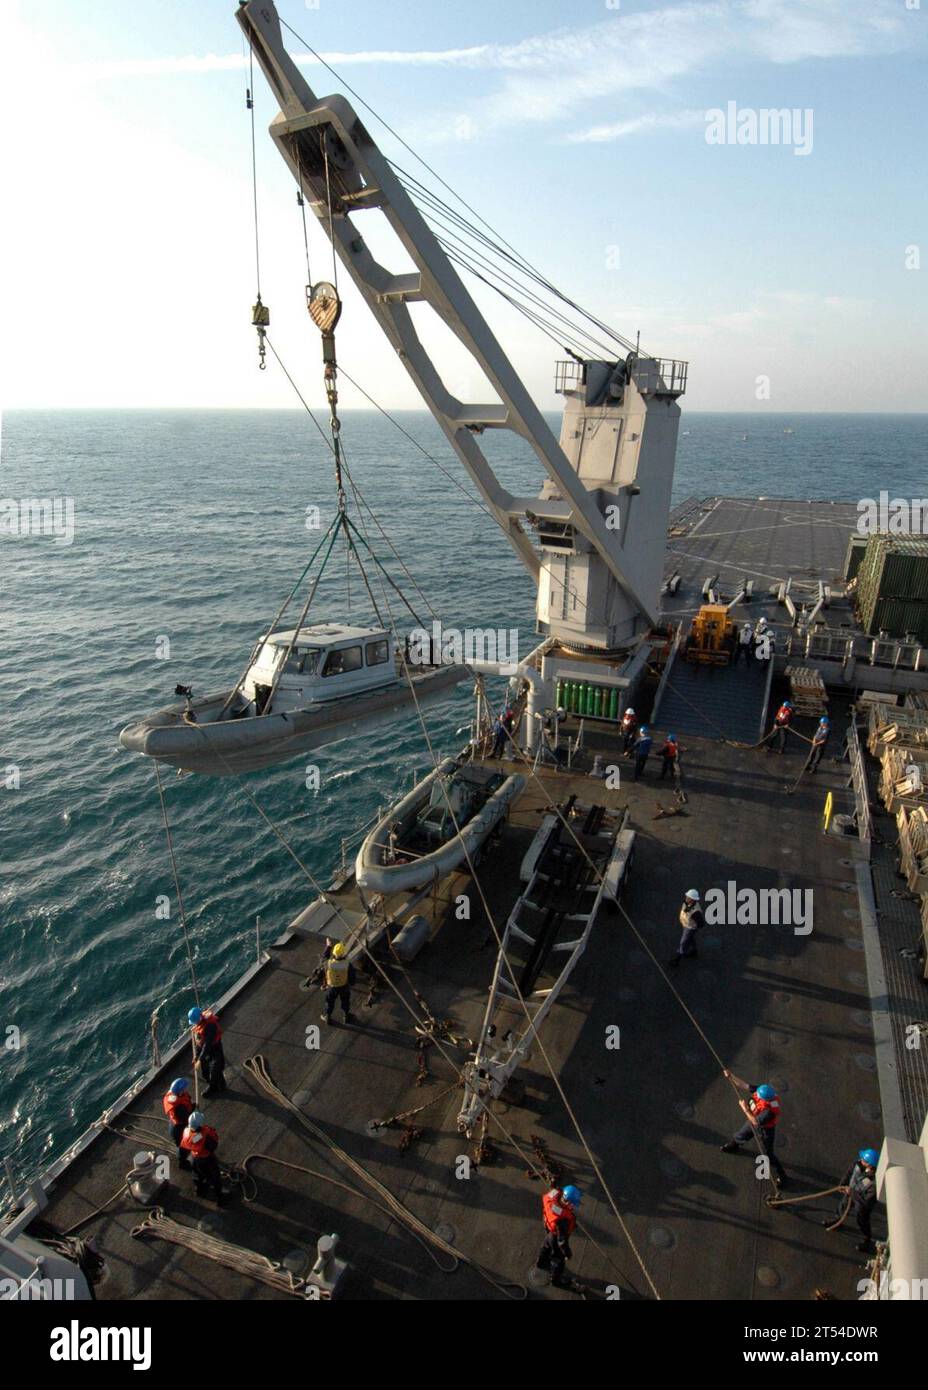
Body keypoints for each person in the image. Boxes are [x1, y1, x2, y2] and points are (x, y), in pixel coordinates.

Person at [720, 1072, 788, 1186]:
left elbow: (755, 1122)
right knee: (742, 1134)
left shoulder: (769, 1111)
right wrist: (731, 1076)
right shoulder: (762, 1091)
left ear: (766, 1100)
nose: (756, 1095)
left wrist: (745, 1109)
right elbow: (744, 1085)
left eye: (759, 1096)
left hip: (765, 1129)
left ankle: (782, 1175)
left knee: (768, 1154)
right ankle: (734, 1145)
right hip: (754, 1119)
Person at [830, 1148, 879, 1254]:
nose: (861, 1160)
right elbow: (849, 1173)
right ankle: (838, 1220)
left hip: (861, 1204)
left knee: (862, 1221)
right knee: (842, 1207)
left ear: (869, 1165)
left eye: (863, 1160)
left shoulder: (874, 1183)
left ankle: (866, 1240)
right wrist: (842, 1184)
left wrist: (851, 1192)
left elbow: (866, 1201)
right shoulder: (857, 1164)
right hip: (850, 1192)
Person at [536, 1184, 582, 1288]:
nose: (573, 1207)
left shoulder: (553, 1196)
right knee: (558, 1259)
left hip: (548, 1230)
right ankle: (556, 1279)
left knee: (546, 1246)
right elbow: (562, 1241)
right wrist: (567, 1253)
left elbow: (556, 1189)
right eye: (572, 1204)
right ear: (567, 1202)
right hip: (555, 1237)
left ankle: (541, 1262)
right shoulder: (563, 1220)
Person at [180, 1111, 225, 1206]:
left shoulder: (186, 1132)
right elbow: (213, 1146)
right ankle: (220, 1198)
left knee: (197, 1175)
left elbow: (188, 1143)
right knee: (214, 1177)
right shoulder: (204, 1135)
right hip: (206, 1159)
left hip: (193, 1158)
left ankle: (199, 1190)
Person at [189, 1006, 226, 1096]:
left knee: (215, 1069)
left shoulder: (210, 1026)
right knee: (205, 1071)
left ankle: (216, 1086)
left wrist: (200, 1060)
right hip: (205, 1052)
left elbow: (207, 1045)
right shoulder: (199, 1025)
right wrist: (196, 1056)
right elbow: (199, 1044)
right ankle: (213, 1083)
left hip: (215, 1049)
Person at [162, 1077, 194, 1172]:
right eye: (184, 1088)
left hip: (176, 1124)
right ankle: (182, 1163)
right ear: (180, 1091)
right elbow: (187, 1118)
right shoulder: (178, 1108)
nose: (186, 1089)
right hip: (179, 1128)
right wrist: (194, 1110)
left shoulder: (175, 1095)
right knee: (183, 1146)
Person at [322, 940, 357, 1025]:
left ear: (334, 953)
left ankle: (327, 1017)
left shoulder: (328, 963)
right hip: (344, 987)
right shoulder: (347, 964)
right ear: (343, 954)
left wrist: (328, 946)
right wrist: (351, 983)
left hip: (331, 987)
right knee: (345, 1001)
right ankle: (346, 1017)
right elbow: (352, 975)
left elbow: (323, 958)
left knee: (329, 1002)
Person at [668, 888, 704, 966]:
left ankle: (677, 959)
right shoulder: (686, 903)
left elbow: (701, 923)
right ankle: (694, 951)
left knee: (683, 943)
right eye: (687, 896)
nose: (686, 898)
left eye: (688, 897)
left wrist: (693, 927)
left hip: (690, 928)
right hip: (686, 925)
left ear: (693, 900)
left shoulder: (695, 912)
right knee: (690, 938)